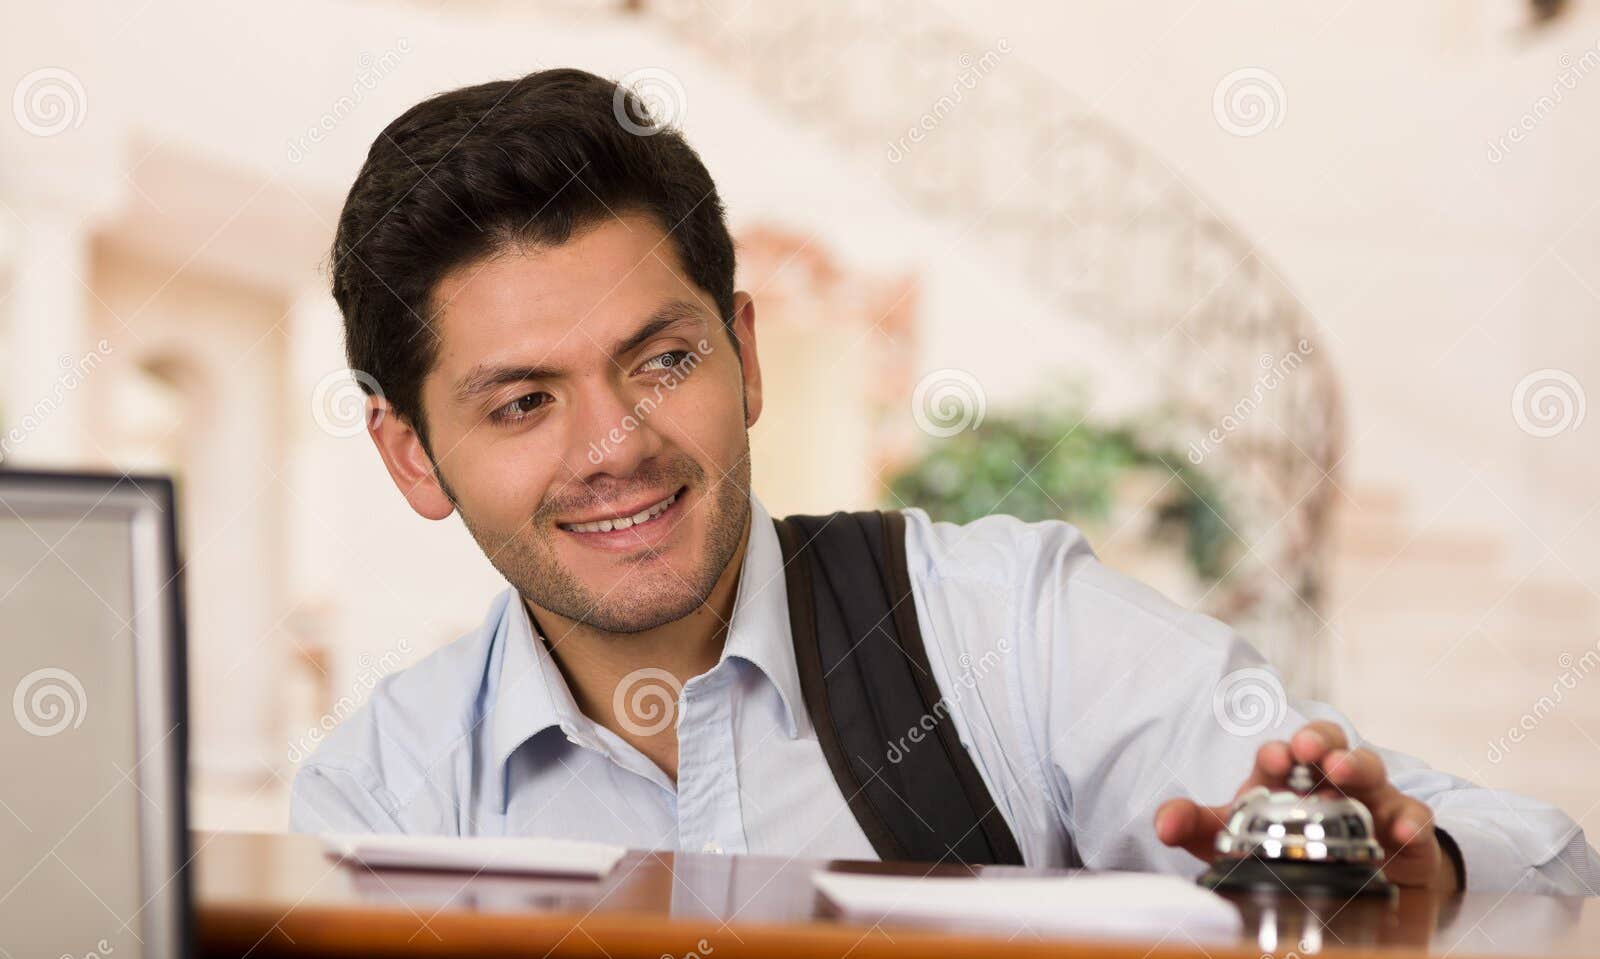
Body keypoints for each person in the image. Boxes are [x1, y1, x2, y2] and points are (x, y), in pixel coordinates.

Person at [290, 67, 1598, 899]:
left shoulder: (1006, 632)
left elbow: (1544, 855)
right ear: (412, 453)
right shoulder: (382, 797)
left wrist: (1409, 882)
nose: (615, 443)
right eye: (524, 401)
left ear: (744, 355)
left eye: (661, 358)